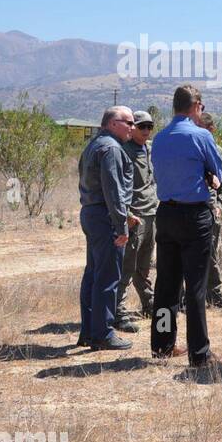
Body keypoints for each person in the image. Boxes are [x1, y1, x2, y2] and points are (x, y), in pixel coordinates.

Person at [150, 84, 222, 369]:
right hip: (194, 216)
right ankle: (200, 353)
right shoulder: (201, 136)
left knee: (166, 285)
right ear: (196, 106)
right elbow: (217, 172)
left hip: (166, 214)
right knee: (195, 287)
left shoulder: (158, 138)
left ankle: (162, 345)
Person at [76, 106, 135, 350]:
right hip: (105, 217)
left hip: (91, 213)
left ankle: (89, 331)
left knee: (94, 273)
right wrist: (122, 224)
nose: (132, 127)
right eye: (128, 122)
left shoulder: (93, 145)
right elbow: (113, 191)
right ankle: (102, 334)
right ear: (112, 123)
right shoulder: (110, 148)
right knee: (108, 276)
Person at [114, 110, 157, 332]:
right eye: (143, 127)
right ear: (133, 129)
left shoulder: (149, 150)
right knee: (127, 266)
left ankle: (149, 303)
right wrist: (127, 214)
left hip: (152, 214)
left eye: (150, 127)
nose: (147, 131)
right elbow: (119, 188)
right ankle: (118, 311)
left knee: (144, 265)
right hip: (135, 216)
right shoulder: (124, 152)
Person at [195, 112, 222, 308]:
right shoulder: (188, 148)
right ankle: (185, 296)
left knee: (209, 254)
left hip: (210, 210)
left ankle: (214, 295)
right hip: (190, 208)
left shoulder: (216, 150)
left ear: (211, 130)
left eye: (202, 128)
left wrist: (219, 204)